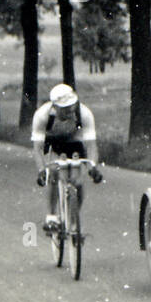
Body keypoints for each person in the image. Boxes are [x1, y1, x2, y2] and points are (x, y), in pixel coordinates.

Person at [31, 83, 102, 230]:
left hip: (74, 141)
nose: (69, 112)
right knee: (54, 172)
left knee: (78, 181)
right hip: (53, 142)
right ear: (54, 107)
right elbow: (37, 148)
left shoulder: (84, 113)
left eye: (71, 107)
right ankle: (51, 216)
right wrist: (41, 170)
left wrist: (92, 167)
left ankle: (73, 220)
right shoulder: (42, 115)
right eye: (64, 109)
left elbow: (91, 145)